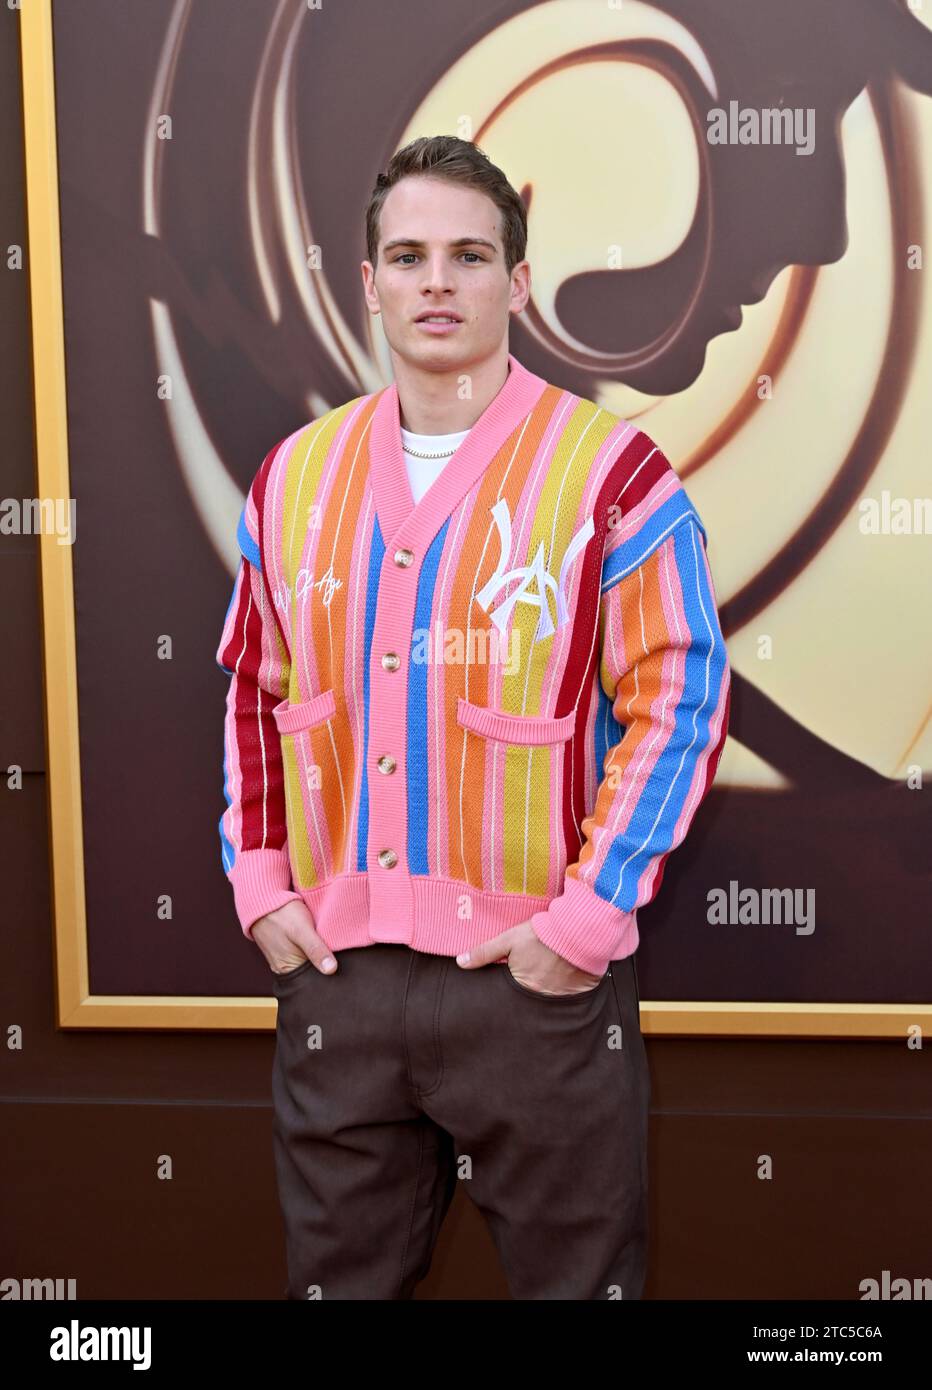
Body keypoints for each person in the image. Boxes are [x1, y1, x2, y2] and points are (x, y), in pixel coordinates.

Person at [215, 134, 731, 1300]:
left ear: (517, 282)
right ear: (371, 283)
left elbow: (678, 699)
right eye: (407, 256)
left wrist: (582, 927)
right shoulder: (289, 479)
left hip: (532, 985)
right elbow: (254, 687)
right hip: (336, 979)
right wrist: (260, 887)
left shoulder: (614, 475)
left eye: (467, 255)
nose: (435, 281)